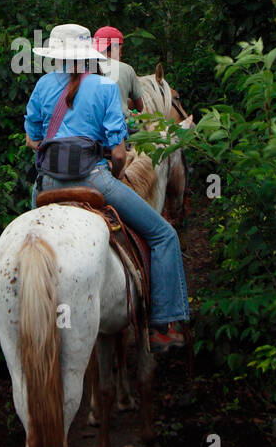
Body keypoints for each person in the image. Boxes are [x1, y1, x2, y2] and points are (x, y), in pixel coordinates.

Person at [23, 23, 189, 352]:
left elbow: (32, 140)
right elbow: (117, 151)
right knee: (163, 235)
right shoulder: (104, 87)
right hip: (94, 179)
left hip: (46, 184)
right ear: (88, 55)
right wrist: (112, 172)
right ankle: (162, 325)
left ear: (56, 56)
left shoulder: (42, 85)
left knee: (29, 241)